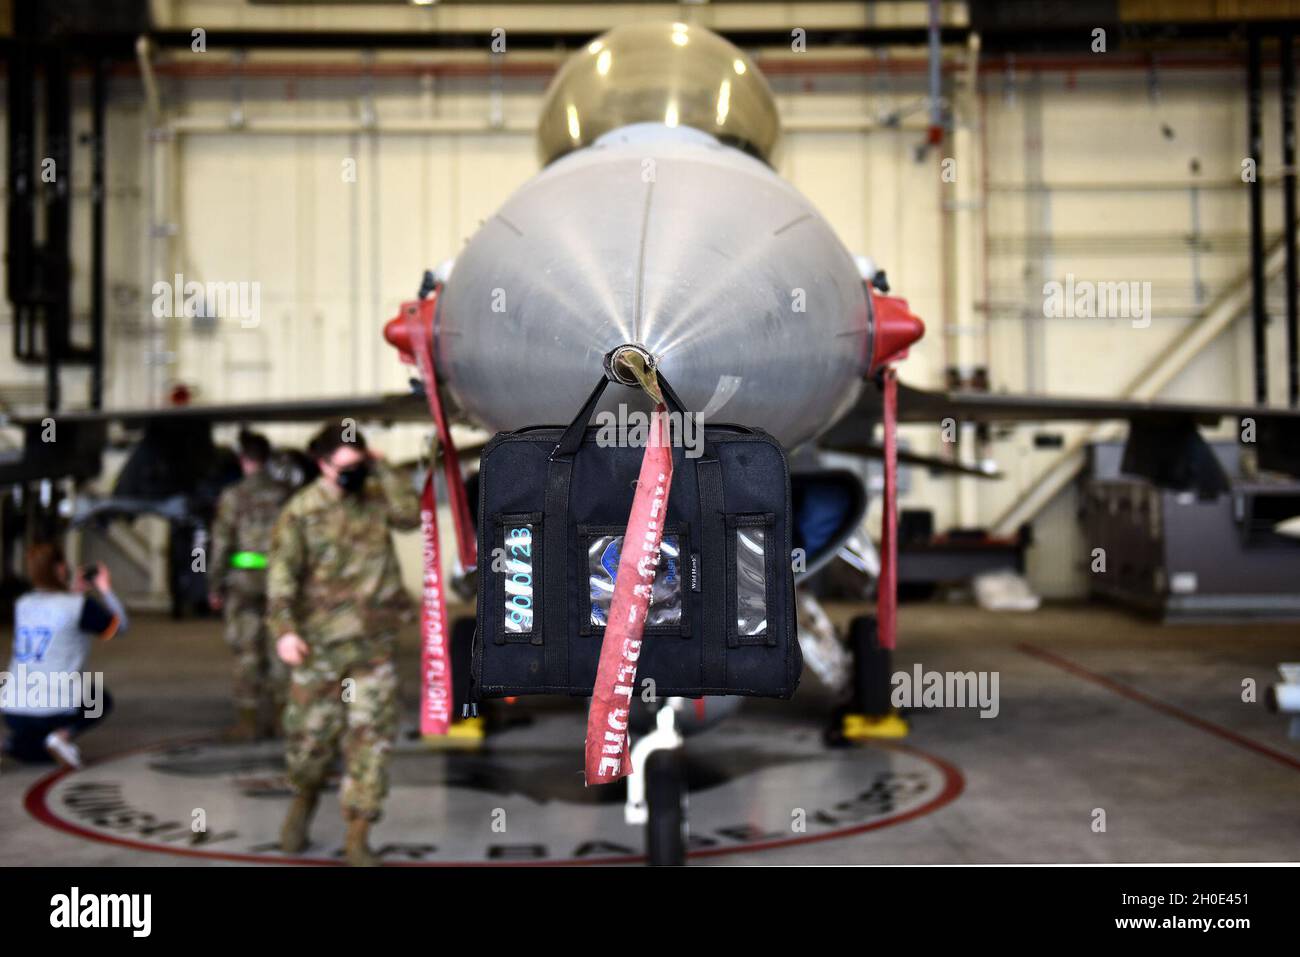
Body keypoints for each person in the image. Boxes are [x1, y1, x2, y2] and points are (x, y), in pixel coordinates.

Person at [267, 421, 420, 866]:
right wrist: (285, 631)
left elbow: (410, 516)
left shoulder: (374, 496)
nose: (354, 474)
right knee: (311, 741)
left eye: (359, 465)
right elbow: (280, 578)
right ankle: (304, 799)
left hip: (373, 645)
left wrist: (382, 466)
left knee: (372, 740)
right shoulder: (300, 511)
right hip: (318, 647)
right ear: (322, 465)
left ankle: (358, 834)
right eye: (345, 467)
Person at [1, 544, 128, 768]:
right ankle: (62, 736)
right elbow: (120, 626)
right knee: (100, 699)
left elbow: (54, 612)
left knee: (36, 753)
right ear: (60, 569)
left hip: (12, 709)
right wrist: (104, 588)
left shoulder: (23, 604)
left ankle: (14, 743)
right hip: (54, 709)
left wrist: (72, 589)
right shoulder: (80, 606)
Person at [209, 429, 292, 740]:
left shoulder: (233, 496)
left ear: (243, 460)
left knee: (247, 651)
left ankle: (248, 723)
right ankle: (284, 719)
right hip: (281, 582)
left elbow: (220, 543)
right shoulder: (286, 494)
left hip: (244, 583)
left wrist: (215, 584)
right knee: (281, 649)